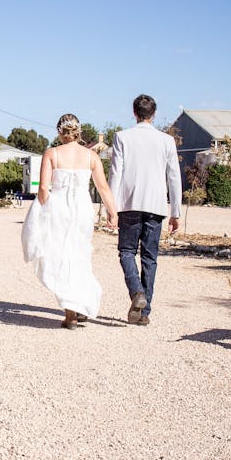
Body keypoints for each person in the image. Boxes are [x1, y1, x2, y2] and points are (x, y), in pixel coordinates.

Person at [22, 114, 119, 329]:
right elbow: (102, 187)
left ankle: (71, 313)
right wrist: (113, 211)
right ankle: (78, 305)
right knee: (79, 254)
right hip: (82, 210)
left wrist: (43, 211)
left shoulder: (52, 153)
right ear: (79, 131)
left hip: (59, 209)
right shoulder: (91, 156)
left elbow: (44, 188)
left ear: (59, 131)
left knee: (60, 255)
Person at [108, 94, 183, 325]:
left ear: (134, 112)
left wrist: (111, 207)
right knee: (150, 258)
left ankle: (136, 292)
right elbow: (174, 177)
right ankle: (144, 313)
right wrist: (176, 211)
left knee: (127, 252)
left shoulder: (122, 137)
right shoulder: (166, 141)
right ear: (154, 114)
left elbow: (116, 173)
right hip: (156, 205)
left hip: (129, 204)